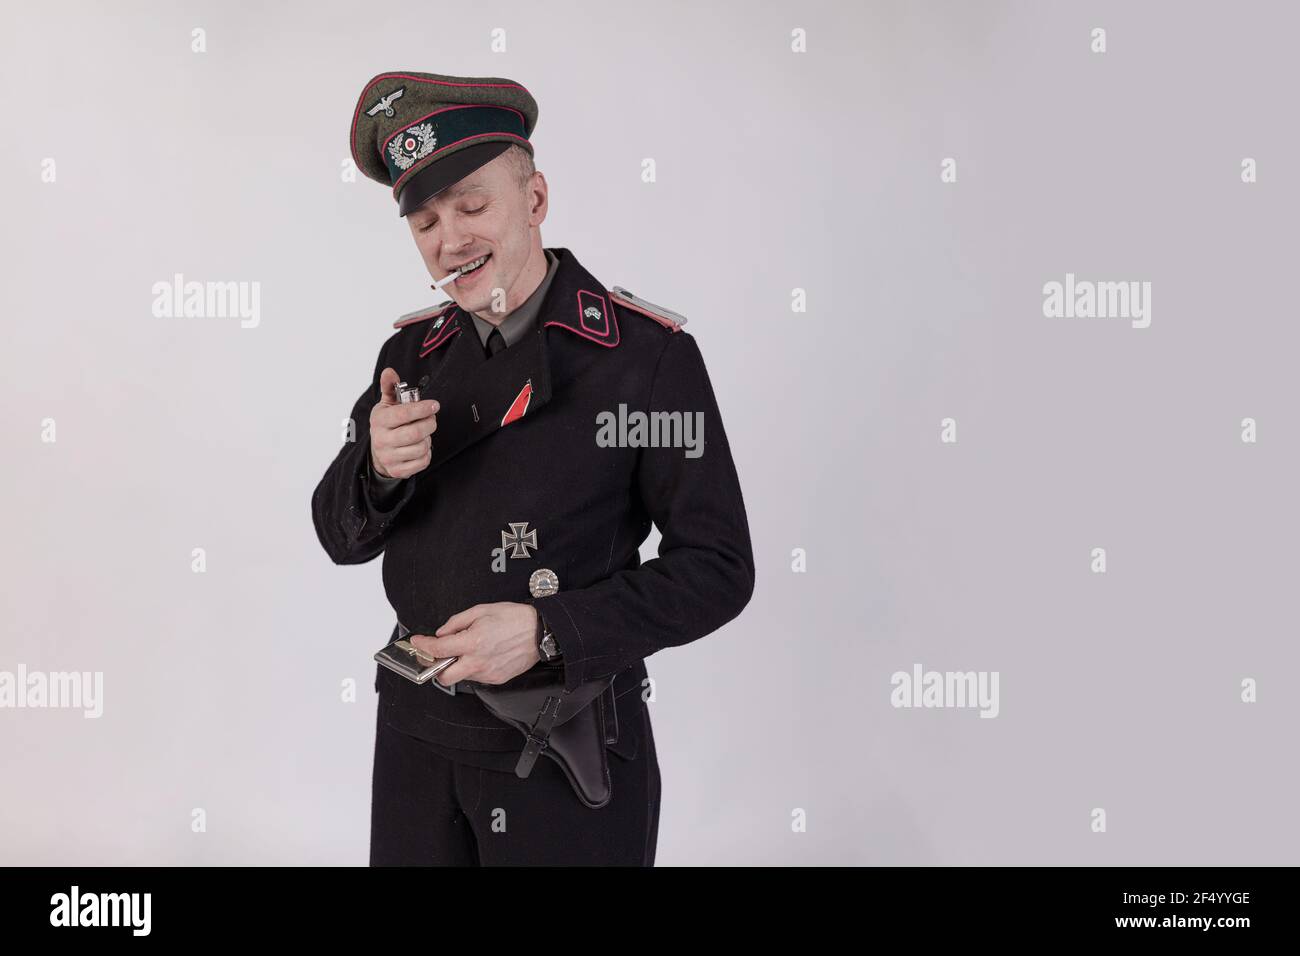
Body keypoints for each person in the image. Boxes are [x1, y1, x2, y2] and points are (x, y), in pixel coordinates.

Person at [312, 70, 754, 866]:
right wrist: (374, 471)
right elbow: (340, 539)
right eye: (425, 222)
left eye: (473, 205)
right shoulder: (410, 353)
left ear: (536, 199)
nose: (450, 240)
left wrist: (551, 631)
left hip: (560, 742)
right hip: (415, 738)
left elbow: (719, 569)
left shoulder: (646, 360)